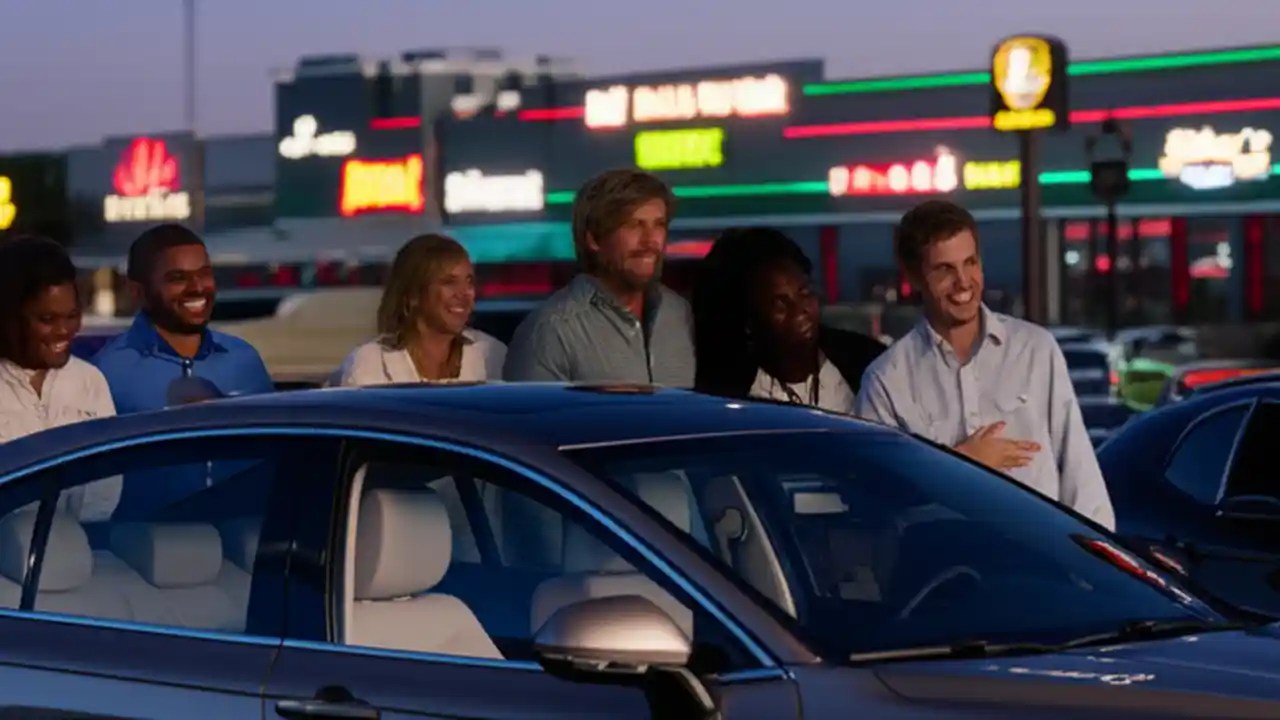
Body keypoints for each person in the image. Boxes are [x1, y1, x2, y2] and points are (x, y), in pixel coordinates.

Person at [854, 200, 1115, 530]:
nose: (963, 282)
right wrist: (960, 463)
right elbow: (875, 499)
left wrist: (1098, 572)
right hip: (940, 571)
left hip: (1041, 568)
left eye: (970, 263)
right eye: (945, 270)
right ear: (915, 277)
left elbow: (1081, 478)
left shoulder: (1035, 349)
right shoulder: (886, 381)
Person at [503, 168, 695, 386]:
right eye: (634, 225)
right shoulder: (551, 331)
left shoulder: (679, 313)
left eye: (658, 225)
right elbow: (530, 419)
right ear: (594, 239)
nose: (650, 241)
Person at [692, 227, 885, 412]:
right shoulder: (724, 394)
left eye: (805, 293)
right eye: (780, 304)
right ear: (748, 320)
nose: (801, 309)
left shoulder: (869, 364)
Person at [92, 223, 273, 413]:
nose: (197, 287)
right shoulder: (106, 374)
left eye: (204, 274)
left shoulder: (243, 358)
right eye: (178, 278)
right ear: (138, 291)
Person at [0, 235, 119, 519]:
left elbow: (107, 490)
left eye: (72, 316)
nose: (64, 331)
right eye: (47, 319)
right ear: (8, 316)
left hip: (81, 550)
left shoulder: (90, 381)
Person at [340, 234, 505, 386]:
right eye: (449, 282)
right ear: (413, 294)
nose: (465, 293)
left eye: (469, 282)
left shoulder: (492, 355)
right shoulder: (369, 363)